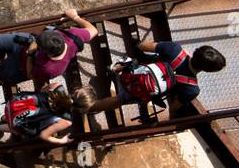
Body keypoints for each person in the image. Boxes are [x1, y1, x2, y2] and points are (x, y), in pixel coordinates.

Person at [90, 41, 225, 115]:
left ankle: (116, 68)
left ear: (196, 51)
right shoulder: (192, 89)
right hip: (138, 90)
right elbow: (173, 107)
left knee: (134, 59)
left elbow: (142, 46)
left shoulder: (174, 49)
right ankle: (88, 108)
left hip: (134, 71)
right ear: (206, 70)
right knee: (120, 100)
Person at [0, 7, 98, 88]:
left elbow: (30, 74)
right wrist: (75, 17)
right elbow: (93, 30)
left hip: (21, 65)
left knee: (3, 74)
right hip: (25, 43)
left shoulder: (52, 69)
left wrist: (30, 55)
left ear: (48, 53)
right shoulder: (74, 37)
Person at [0, 86, 94, 145]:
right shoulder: (66, 120)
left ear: (76, 91)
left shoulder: (58, 87)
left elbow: (42, 91)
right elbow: (44, 136)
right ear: (81, 109)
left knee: (24, 115)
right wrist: (61, 141)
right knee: (21, 128)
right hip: (17, 122)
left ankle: (1, 117)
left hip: (15, 103)